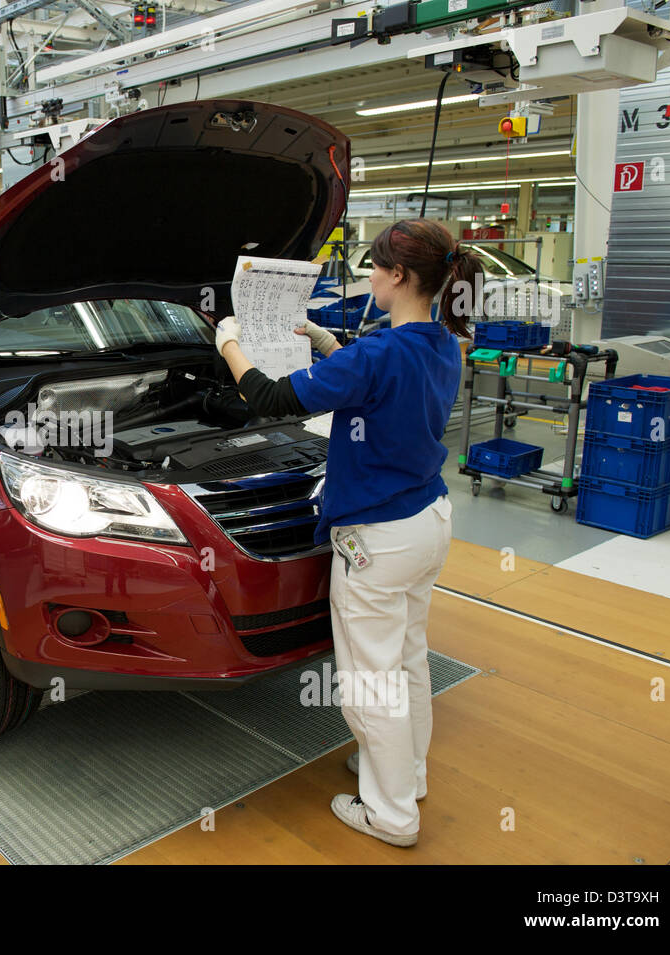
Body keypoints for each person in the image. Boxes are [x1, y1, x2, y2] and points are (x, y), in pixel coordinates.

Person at [214, 218, 482, 847]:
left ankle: (391, 815)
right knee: (407, 659)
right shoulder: (444, 342)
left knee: (370, 679)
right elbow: (381, 384)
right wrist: (327, 342)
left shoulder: (377, 355)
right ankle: (406, 776)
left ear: (398, 276)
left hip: (378, 538)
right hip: (428, 522)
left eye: (374, 269)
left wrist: (230, 343)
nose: (369, 279)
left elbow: (271, 399)